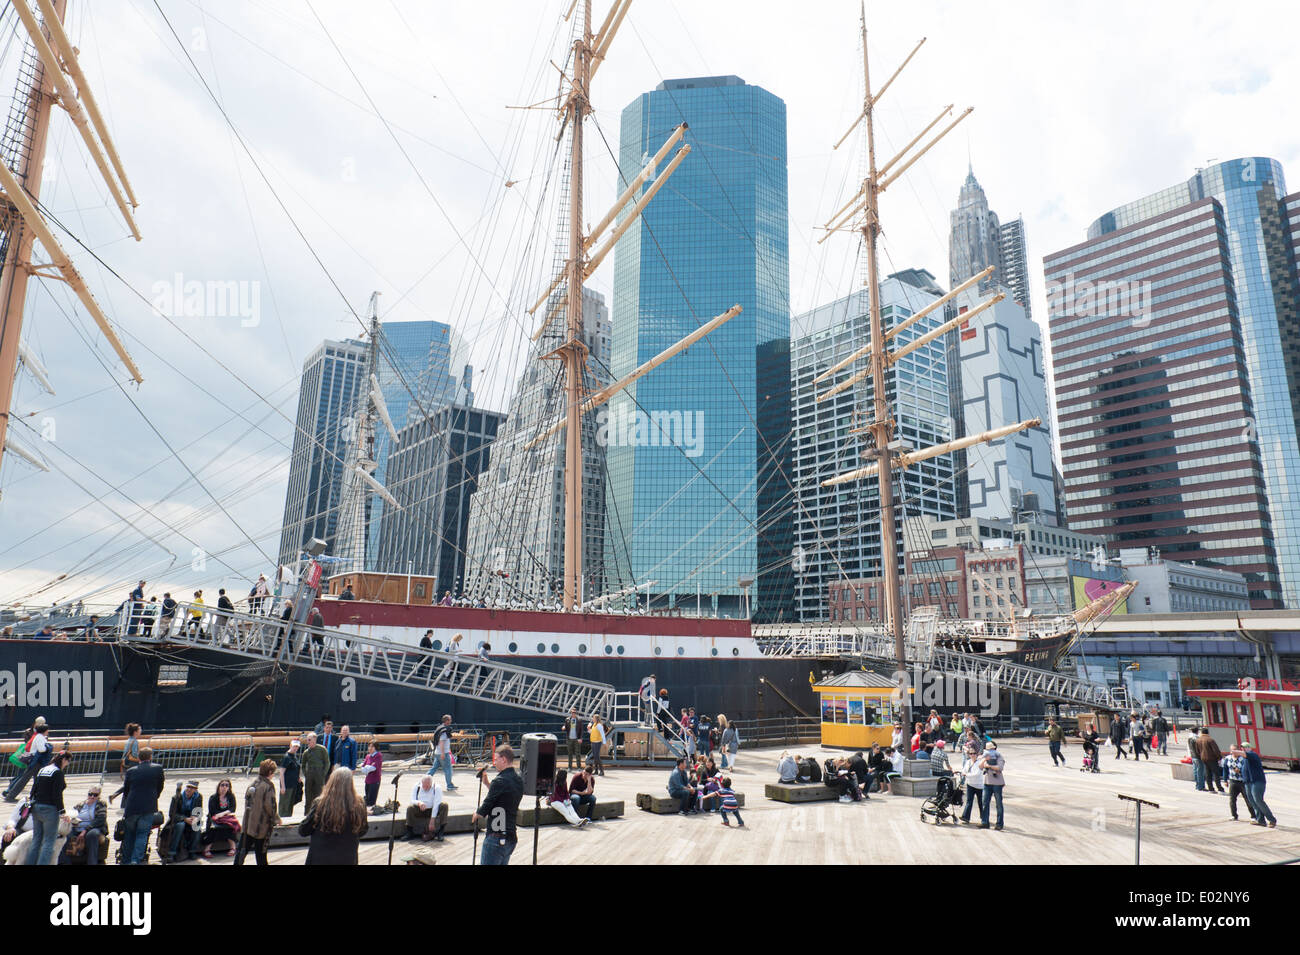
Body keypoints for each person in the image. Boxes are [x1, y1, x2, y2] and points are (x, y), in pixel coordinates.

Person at [299, 767, 369, 864]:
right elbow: (363, 830)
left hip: (320, 859)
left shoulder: (320, 803)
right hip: (346, 858)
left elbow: (303, 830)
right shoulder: (359, 804)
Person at [472, 744, 524, 865]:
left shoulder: (499, 780)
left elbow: (488, 804)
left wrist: (477, 814)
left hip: (496, 836)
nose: (494, 763)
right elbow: (503, 797)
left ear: (504, 759)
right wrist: (487, 784)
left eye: (496, 759)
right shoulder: (518, 780)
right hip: (510, 836)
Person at [121, 746, 165, 865]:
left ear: (138, 757)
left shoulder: (131, 771)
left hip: (132, 807)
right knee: (142, 834)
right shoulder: (158, 769)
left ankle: (125, 860)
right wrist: (154, 797)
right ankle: (135, 860)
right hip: (148, 806)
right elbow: (160, 787)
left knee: (129, 835)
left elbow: (126, 791)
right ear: (150, 757)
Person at [25, 751, 69, 865]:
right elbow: (57, 794)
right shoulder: (58, 773)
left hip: (37, 807)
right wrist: (62, 811)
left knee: (36, 840)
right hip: (50, 810)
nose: (67, 764)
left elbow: (34, 788)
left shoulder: (43, 770)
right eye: (68, 761)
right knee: (49, 842)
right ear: (64, 760)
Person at [235, 760, 279, 865]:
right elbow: (270, 807)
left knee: (241, 853)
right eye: (273, 772)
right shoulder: (268, 786)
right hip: (261, 828)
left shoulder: (253, 783)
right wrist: (276, 819)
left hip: (248, 826)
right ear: (269, 773)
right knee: (261, 856)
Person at [4, 716, 52, 802]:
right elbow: (41, 749)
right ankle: (11, 796)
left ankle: (33, 796)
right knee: (25, 779)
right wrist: (48, 747)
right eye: (47, 730)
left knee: (35, 780)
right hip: (36, 761)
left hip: (36, 761)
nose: (48, 731)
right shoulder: (40, 737)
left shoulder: (37, 736)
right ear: (44, 730)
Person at [58, 784, 107, 866]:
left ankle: (92, 862)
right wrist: (68, 818)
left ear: (99, 796)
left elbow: (100, 819)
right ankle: (64, 862)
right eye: (90, 794)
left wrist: (85, 830)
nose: (92, 797)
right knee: (64, 835)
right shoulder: (81, 804)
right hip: (78, 826)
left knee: (92, 835)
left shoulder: (101, 804)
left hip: (92, 827)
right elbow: (72, 814)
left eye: (95, 795)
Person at [164, 780, 203, 863]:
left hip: (191, 818)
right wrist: (184, 819)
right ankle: (172, 852)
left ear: (195, 789)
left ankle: (192, 851)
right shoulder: (177, 797)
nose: (189, 789)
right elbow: (172, 814)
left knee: (197, 826)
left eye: (192, 788)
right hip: (179, 819)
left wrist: (195, 818)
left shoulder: (198, 797)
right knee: (180, 826)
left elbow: (199, 810)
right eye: (188, 787)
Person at [1240, 742, 1277, 828]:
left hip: (1257, 781)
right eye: (1242, 748)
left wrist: (1234, 751)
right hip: (1248, 782)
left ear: (1249, 748)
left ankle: (1271, 819)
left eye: (1244, 748)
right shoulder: (1244, 759)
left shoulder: (1253, 755)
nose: (1243, 749)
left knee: (1258, 800)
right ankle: (1260, 820)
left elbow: (1245, 754)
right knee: (1252, 801)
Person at [405, 774, 448, 842]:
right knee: (410, 808)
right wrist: (419, 803)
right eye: (424, 786)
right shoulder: (417, 786)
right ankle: (409, 831)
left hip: (432, 809)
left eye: (427, 786)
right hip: (420, 809)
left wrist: (432, 820)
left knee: (444, 805)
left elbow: (436, 804)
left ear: (431, 783)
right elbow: (412, 800)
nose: (425, 788)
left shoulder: (437, 788)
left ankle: (441, 832)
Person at [202, 778, 239, 858]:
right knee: (215, 829)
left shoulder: (231, 796)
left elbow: (233, 808)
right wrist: (219, 815)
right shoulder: (213, 797)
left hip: (226, 818)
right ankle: (207, 849)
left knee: (230, 827)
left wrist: (223, 814)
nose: (224, 787)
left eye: (227, 785)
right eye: (222, 785)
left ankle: (233, 847)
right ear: (219, 786)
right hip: (214, 818)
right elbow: (212, 811)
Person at [108, 722, 143, 804]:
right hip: (133, 764)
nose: (141, 731)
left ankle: (119, 800)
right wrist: (140, 760)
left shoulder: (128, 740)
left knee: (128, 783)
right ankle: (117, 797)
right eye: (139, 729)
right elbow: (134, 754)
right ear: (135, 732)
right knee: (131, 784)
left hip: (127, 764)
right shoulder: (134, 741)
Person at [977, 741, 1006, 831]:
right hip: (987, 782)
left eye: (991, 749)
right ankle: (985, 822)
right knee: (985, 802)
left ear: (994, 749)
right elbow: (980, 766)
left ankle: (999, 823)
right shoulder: (986, 756)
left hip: (997, 783)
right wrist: (985, 759)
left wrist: (989, 766)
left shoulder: (999, 756)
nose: (989, 751)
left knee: (999, 804)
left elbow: (1000, 767)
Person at [301, 732, 330, 813]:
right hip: (310, 773)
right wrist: (306, 774)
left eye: (309, 740)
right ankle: (307, 813)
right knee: (308, 795)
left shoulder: (322, 749)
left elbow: (327, 762)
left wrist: (323, 773)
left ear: (314, 740)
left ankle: (320, 813)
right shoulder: (306, 752)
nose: (308, 742)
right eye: (307, 740)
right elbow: (303, 765)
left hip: (319, 773)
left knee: (319, 794)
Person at [1223, 748, 1255, 822]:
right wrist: (1225, 780)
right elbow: (1225, 769)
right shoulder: (1228, 758)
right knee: (1232, 799)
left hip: (1242, 782)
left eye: (1234, 750)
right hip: (1233, 781)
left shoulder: (1242, 759)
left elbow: (1246, 770)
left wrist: (1240, 771)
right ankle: (1234, 815)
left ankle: (1253, 815)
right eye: (1231, 751)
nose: (1233, 752)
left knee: (1247, 799)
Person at [428, 714, 457, 790]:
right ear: (447, 721)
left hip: (438, 752)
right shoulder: (444, 731)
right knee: (448, 769)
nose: (451, 721)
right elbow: (441, 742)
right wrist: (443, 753)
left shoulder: (439, 728)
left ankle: (424, 781)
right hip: (443, 753)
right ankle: (449, 786)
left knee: (434, 768)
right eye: (450, 719)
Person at [959, 743, 984, 824]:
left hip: (978, 785)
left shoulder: (979, 763)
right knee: (969, 801)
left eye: (974, 753)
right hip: (970, 784)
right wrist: (964, 773)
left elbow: (977, 774)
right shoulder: (968, 762)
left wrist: (966, 774)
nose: (972, 755)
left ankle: (984, 817)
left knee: (980, 802)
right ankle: (966, 817)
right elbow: (964, 770)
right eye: (970, 753)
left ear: (977, 754)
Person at [279, 737, 303, 817]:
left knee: (290, 806)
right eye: (294, 746)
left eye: (297, 747)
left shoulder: (294, 756)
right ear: (290, 745)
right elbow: (281, 772)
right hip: (287, 785)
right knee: (284, 807)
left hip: (293, 785)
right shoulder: (287, 757)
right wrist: (283, 787)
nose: (296, 748)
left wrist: (298, 778)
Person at [1197, 729, 1225, 793]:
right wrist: (1219, 757)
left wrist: (1200, 756)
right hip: (1212, 759)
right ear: (1208, 733)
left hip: (1203, 758)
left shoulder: (1198, 740)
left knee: (1208, 773)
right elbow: (1216, 750)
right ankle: (1219, 788)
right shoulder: (1210, 740)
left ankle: (1210, 788)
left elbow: (1197, 750)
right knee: (1216, 773)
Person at [359, 740, 383, 812]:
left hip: (375, 780)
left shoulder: (378, 755)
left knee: (372, 799)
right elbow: (363, 768)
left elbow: (374, 768)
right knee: (367, 798)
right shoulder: (368, 756)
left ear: (375, 748)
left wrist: (367, 767)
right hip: (368, 780)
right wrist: (368, 767)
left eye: (372, 747)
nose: (370, 748)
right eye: (369, 746)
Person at [588, 711, 606, 776]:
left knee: (597, 757)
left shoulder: (599, 725)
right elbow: (592, 732)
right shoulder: (594, 725)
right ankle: (596, 770)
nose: (592, 719)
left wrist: (604, 742)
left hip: (597, 742)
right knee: (595, 757)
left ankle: (601, 771)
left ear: (596, 719)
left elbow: (602, 734)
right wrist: (589, 729)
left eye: (593, 718)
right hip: (593, 742)